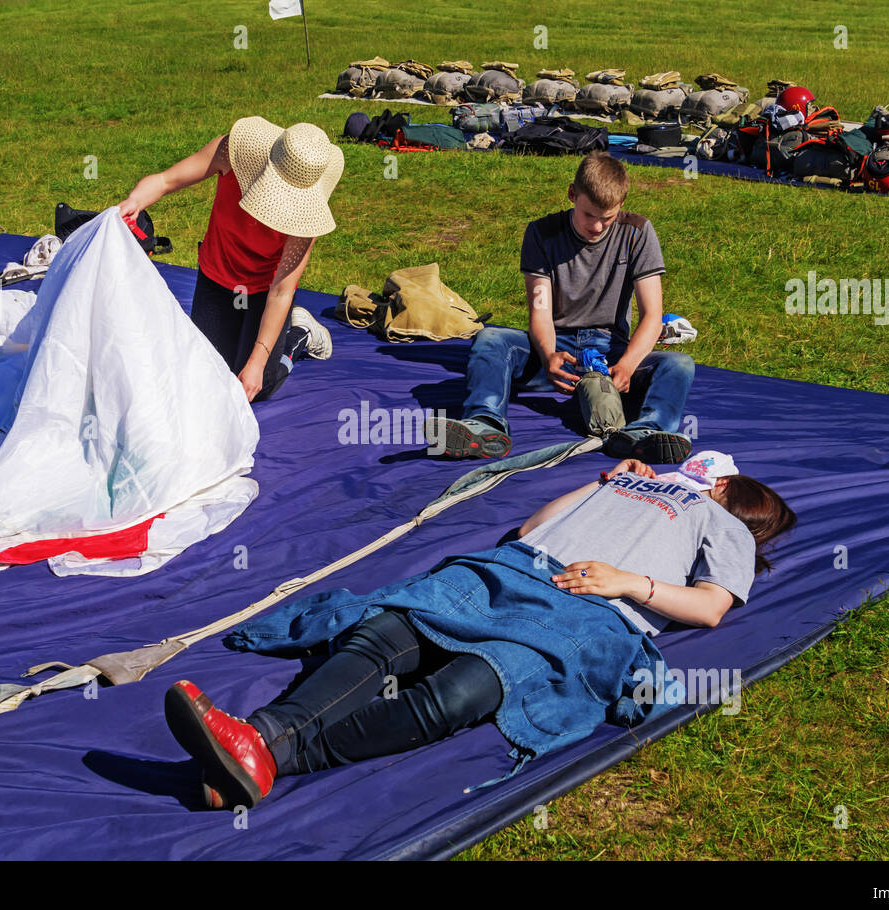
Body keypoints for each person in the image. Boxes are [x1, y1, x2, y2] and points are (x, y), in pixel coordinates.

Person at [165, 451, 797, 809]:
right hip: (514, 568)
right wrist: (601, 484)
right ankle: (260, 742)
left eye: (712, 480)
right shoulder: (634, 479)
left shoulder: (728, 529)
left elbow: (713, 605)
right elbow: (530, 530)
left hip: (589, 612)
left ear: (725, 491)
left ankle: (268, 753)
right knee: (391, 631)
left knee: (468, 687)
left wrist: (628, 582)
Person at [426, 151, 695, 463]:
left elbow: (652, 316)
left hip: (611, 352)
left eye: (607, 219)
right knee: (489, 339)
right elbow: (539, 311)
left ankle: (644, 434)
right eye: (589, 215)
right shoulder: (541, 233)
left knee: (680, 364)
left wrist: (628, 366)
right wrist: (548, 355)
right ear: (572, 195)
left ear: (622, 205)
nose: (597, 227)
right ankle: (485, 426)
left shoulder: (638, 232)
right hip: (556, 343)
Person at [119, 117, 344, 402]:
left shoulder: (306, 215)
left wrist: (258, 363)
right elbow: (166, 180)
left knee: (259, 383)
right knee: (207, 375)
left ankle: (299, 334)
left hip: (265, 291)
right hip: (217, 278)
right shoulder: (235, 151)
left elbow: (282, 290)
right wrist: (135, 201)